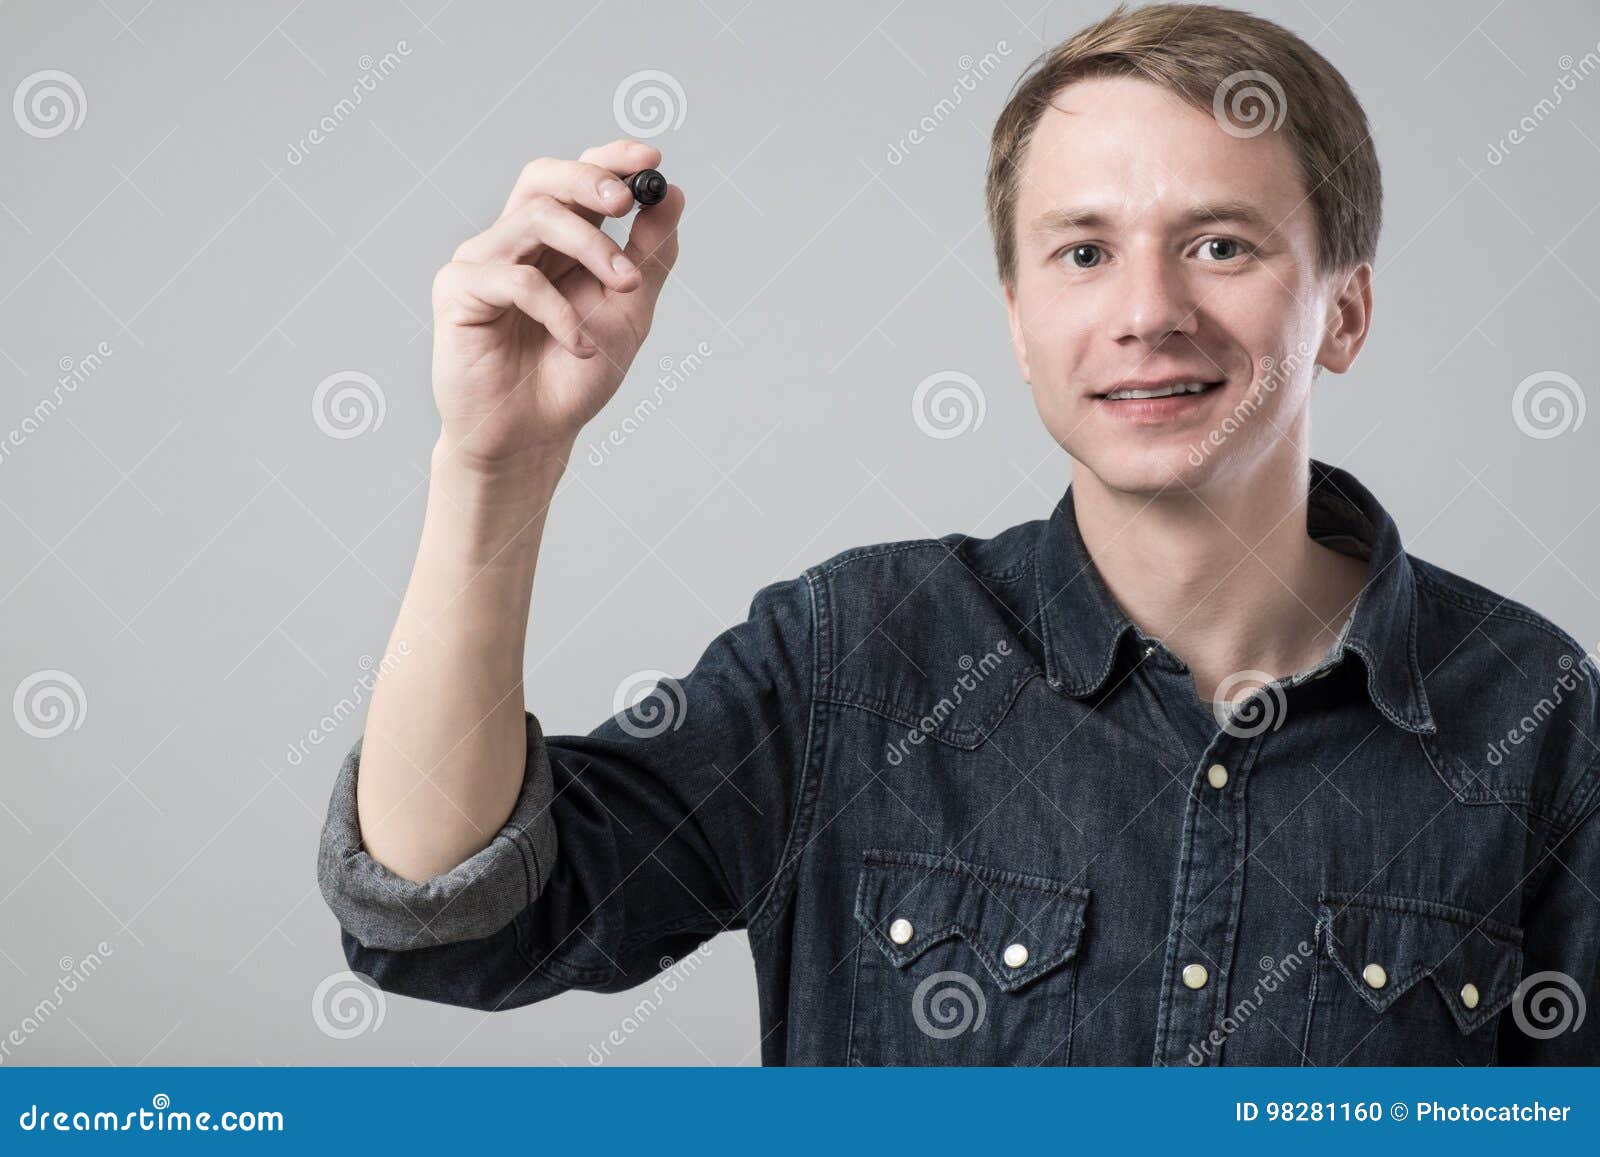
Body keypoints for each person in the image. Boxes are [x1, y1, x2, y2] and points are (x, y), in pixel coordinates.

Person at [316, 1, 1599, 1065]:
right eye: (1082, 252)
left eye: (1219, 243)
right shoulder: (853, 658)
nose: (1145, 311)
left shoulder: (1533, 711)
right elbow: (453, 915)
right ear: (1016, 317)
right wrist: (498, 463)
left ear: (1343, 311)